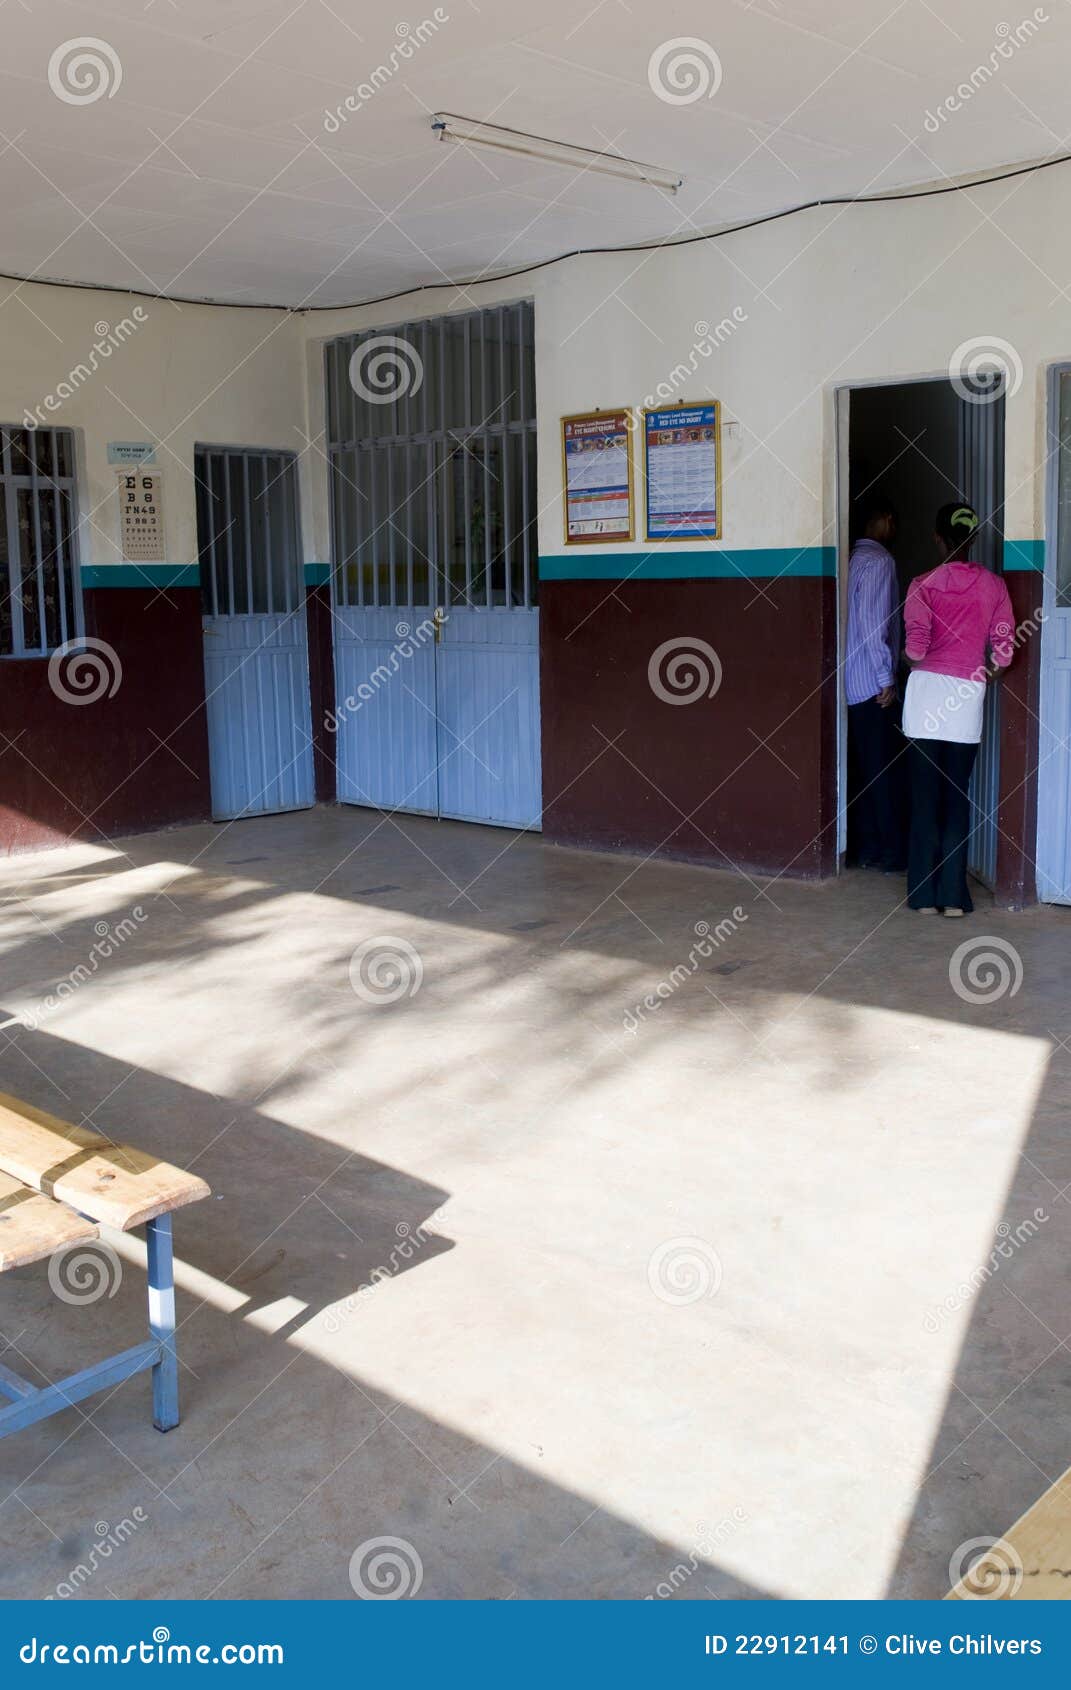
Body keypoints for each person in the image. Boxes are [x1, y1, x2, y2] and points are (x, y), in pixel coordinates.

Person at [902, 503, 1015, 916]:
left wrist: (909, 655)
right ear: (972, 539)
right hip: (966, 698)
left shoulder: (922, 584)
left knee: (924, 798)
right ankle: (953, 897)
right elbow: (1003, 655)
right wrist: (979, 674)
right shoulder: (994, 586)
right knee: (956, 797)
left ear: (937, 537)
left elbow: (916, 649)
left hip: (925, 697)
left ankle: (922, 896)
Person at [844, 494, 904, 871]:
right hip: (871, 684)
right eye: (892, 522)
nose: (894, 530)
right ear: (881, 520)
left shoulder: (849, 559)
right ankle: (889, 852)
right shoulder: (880, 561)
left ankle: (864, 848)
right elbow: (872, 624)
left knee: (864, 768)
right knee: (882, 770)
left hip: (850, 682)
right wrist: (886, 677)